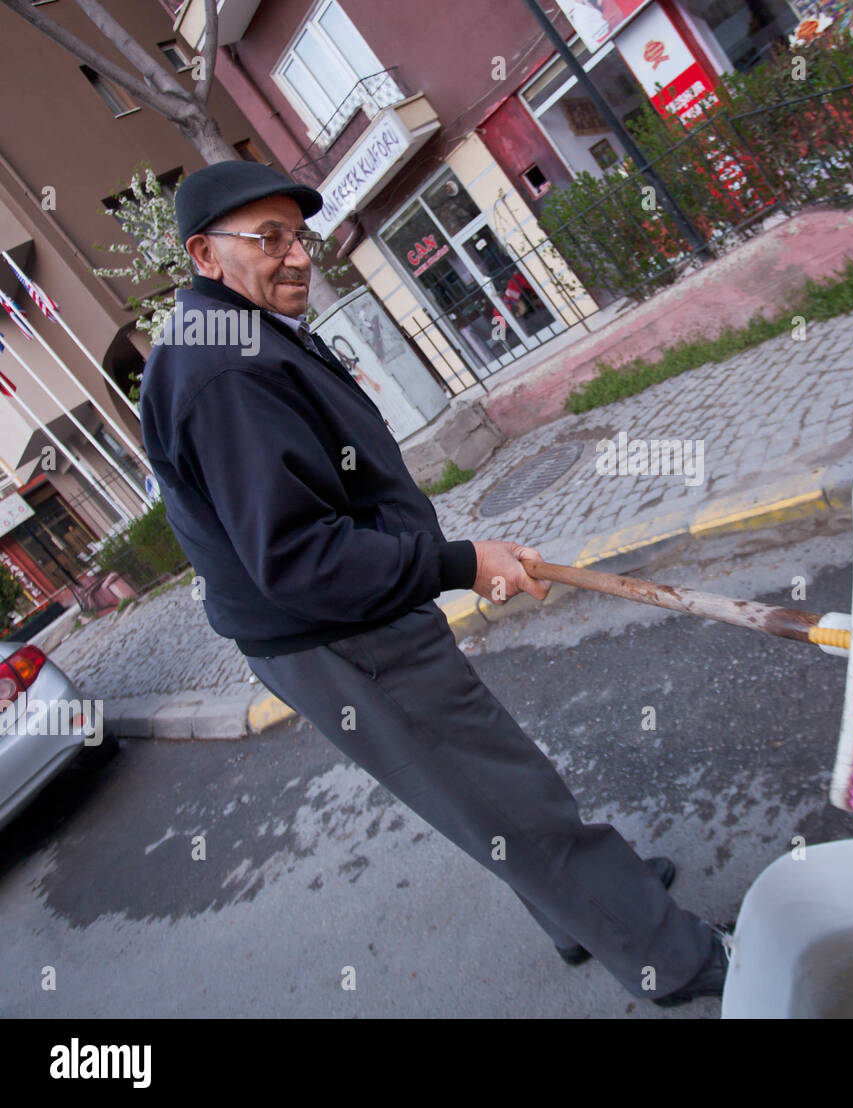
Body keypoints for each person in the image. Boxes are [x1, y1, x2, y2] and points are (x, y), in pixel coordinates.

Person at [138, 161, 732, 1007]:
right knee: (505, 793)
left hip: (334, 625)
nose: (296, 256)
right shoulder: (224, 368)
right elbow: (303, 557)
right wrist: (459, 562)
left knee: (478, 782)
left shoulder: (226, 332)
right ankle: (670, 957)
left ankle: (582, 911)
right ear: (204, 252)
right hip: (341, 634)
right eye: (267, 239)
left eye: (299, 236)